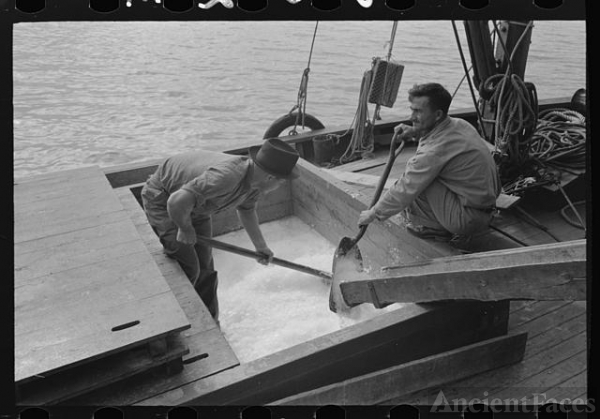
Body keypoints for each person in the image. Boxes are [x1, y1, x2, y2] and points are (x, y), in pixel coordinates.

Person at [141, 138, 300, 321]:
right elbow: (176, 202)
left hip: (195, 207)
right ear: (270, 177)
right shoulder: (227, 177)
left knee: (206, 268)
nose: (280, 186)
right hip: (163, 199)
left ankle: (210, 321)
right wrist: (185, 228)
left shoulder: (255, 183)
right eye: (281, 183)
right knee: (189, 267)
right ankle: (174, 322)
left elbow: (247, 211)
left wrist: (260, 247)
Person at [358, 82, 500, 242]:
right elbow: (440, 142)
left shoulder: (433, 152)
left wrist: (373, 213)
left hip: (467, 220)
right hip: (485, 207)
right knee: (423, 175)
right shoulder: (460, 124)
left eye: (418, 111)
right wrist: (414, 131)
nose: (411, 117)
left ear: (438, 115)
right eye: (412, 109)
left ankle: (432, 229)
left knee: (419, 180)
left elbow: (406, 187)